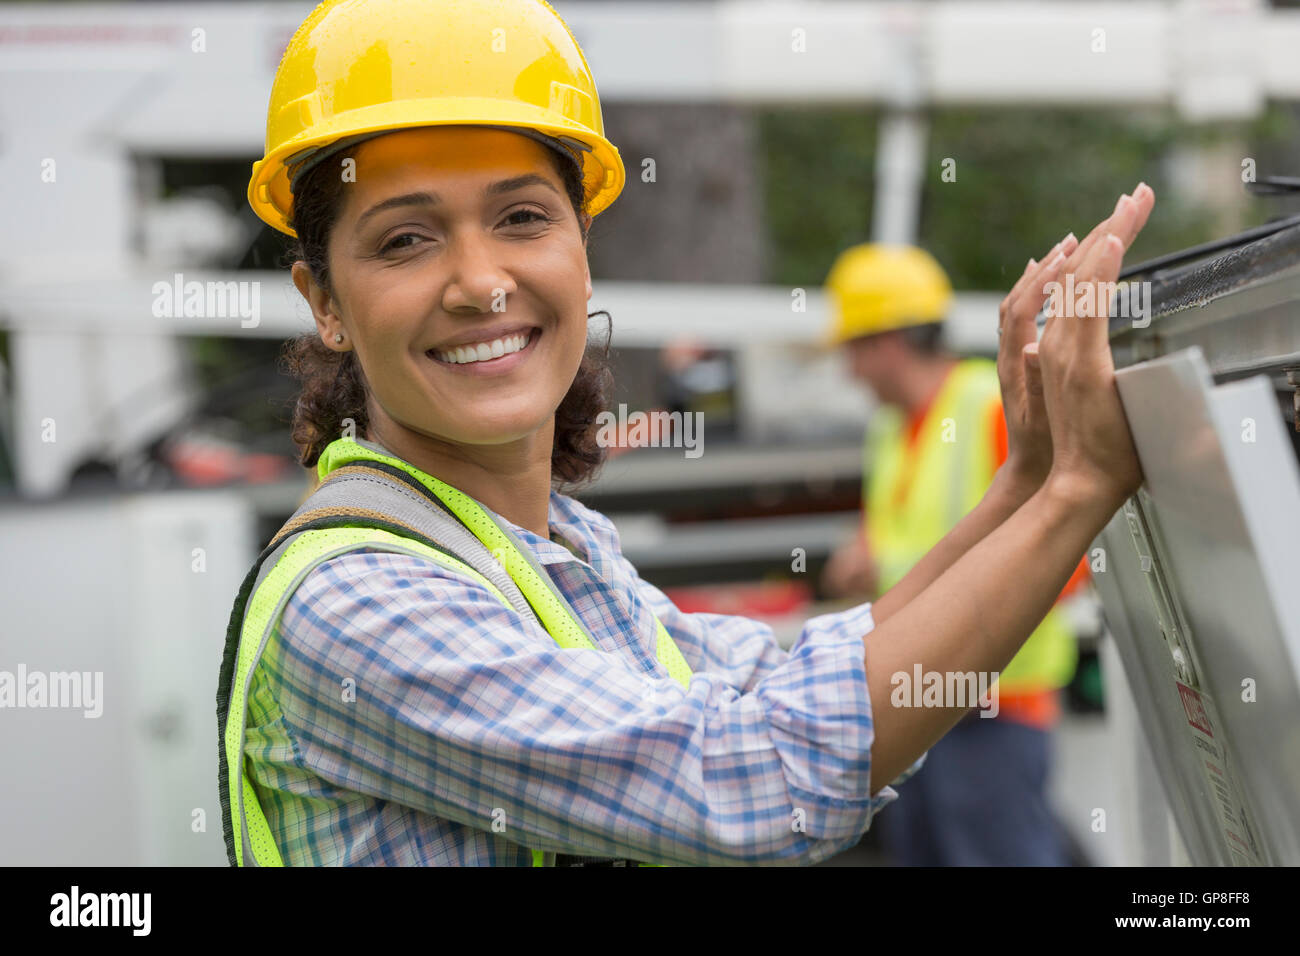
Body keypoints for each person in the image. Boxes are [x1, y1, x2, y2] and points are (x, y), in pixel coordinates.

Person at [217, 0, 1156, 866]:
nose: (481, 281)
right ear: (324, 302)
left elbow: (782, 685)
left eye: (521, 218)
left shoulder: (560, 552)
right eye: (405, 240)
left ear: (583, 251)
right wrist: (1077, 494)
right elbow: (749, 778)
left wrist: (1024, 489)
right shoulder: (358, 605)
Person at [821, 244, 1089, 865]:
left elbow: (1066, 564)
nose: (848, 372)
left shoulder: (994, 406)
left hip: (994, 713)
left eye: (851, 351)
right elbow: (898, 539)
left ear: (884, 343)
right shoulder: (892, 428)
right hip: (913, 713)